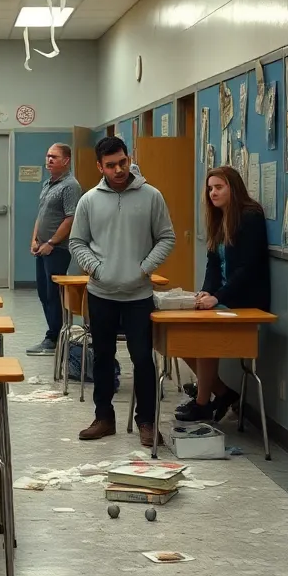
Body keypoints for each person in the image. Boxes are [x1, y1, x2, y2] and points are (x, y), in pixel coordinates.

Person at [69, 136, 175, 446]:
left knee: (142, 358)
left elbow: (166, 238)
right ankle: (104, 418)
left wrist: (143, 269)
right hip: (101, 293)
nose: (119, 169)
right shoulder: (88, 200)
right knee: (102, 357)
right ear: (99, 166)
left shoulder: (151, 196)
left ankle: (146, 422)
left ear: (129, 159)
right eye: (111, 165)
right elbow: (77, 242)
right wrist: (98, 270)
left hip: (138, 296)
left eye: (123, 162)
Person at [177, 165, 270, 422]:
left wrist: (218, 298)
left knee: (203, 338)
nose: (212, 193)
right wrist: (206, 291)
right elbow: (213, 264)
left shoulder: (250, 216)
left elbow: (247, 268)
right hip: (224, 298)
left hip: (245, 301)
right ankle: (222, 391)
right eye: (210, 188)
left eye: (219, 187)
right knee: (182, 337)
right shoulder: (218, 218)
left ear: (234, 188)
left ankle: (203, 402)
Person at [27, 143, 81, 354]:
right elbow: (41, 216)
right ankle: (53, 334)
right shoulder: (48, 184)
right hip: (42, 247)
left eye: (54, 157)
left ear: (66, 160)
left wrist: (52, 243)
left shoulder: (70, 186)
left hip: (57, 249)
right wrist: (35, 240)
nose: (49, 160)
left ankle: (55, 338)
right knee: (43, 293)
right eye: (48, 156)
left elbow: (70, 218)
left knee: (53, 295)